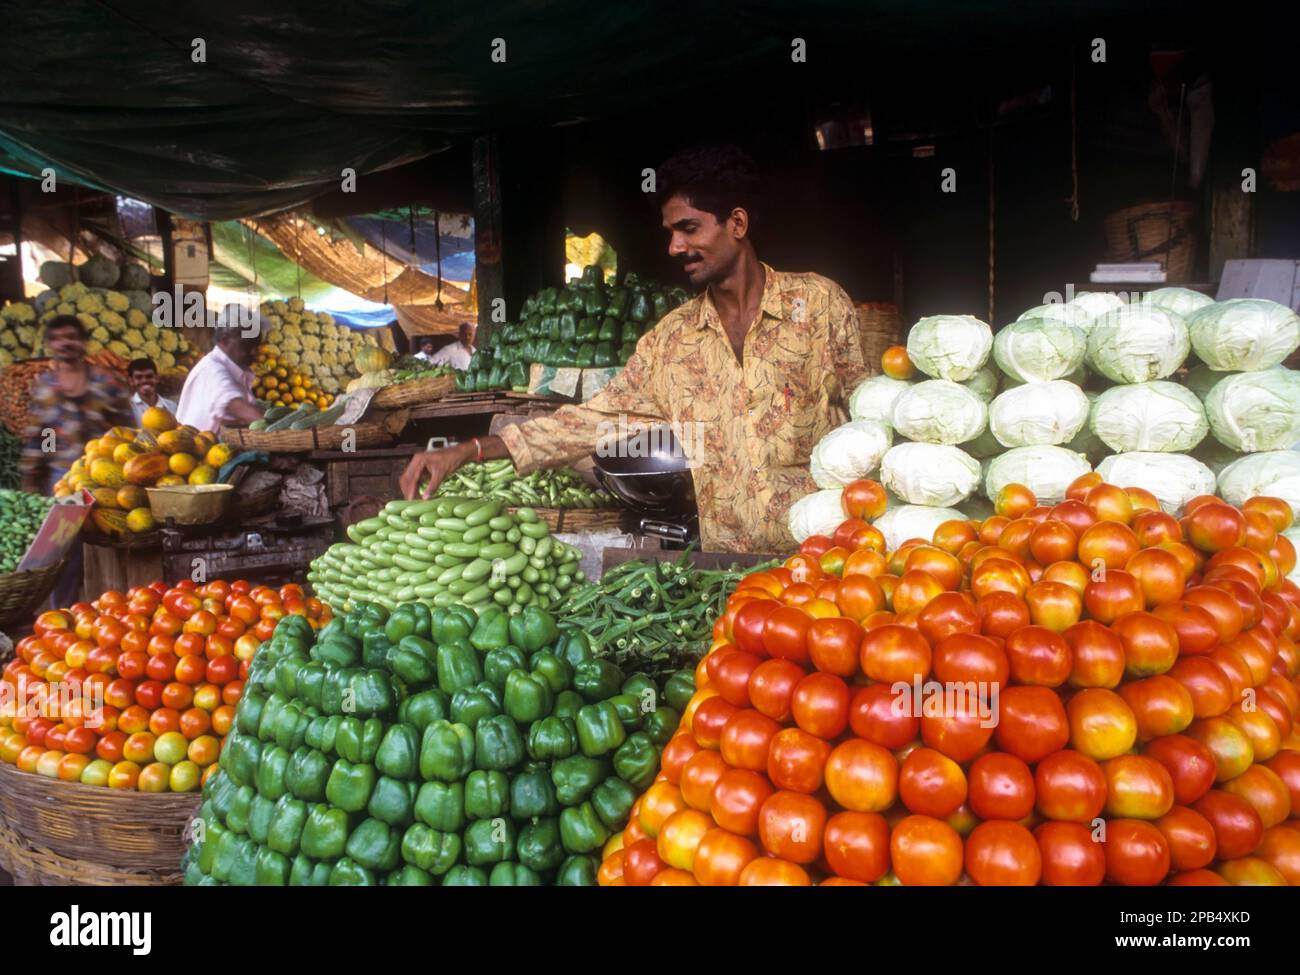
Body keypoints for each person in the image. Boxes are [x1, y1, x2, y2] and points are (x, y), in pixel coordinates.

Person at [401, 144, 866, 554]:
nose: (673, 246)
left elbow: (871, 420)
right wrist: (467, 451)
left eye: (687, 228)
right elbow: (590, 422)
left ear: (737, 223)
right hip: (731, 571)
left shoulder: (819, 305)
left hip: (830, 560)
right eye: (669, 231)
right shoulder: (671, 341)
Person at [20, 314, 135, 607]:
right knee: (62, 566)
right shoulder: (46, 387)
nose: (65, 343)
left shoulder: (107, 382)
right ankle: (65, 621)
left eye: (71, 336)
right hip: (62, 491)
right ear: (50, 344)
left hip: (105, 489)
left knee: (108, 562)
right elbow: (38, 438)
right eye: (58, 338)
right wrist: (31, 484)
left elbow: (130, 433)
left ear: (83, 342)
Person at [175, 320, 263, 433]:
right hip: (198, 447)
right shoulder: (213, 369)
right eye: (247, 346)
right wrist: (278, 428)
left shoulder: (234, 368)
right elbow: (238, 408)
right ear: (225, 340)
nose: (254, 352)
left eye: (257, 347)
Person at [126, 357, 178, 424]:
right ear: (131, 381)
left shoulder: (172, 407)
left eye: (149, 376)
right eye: (139, 377)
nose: (144, 380)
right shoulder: (128, 409)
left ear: (157, 378)